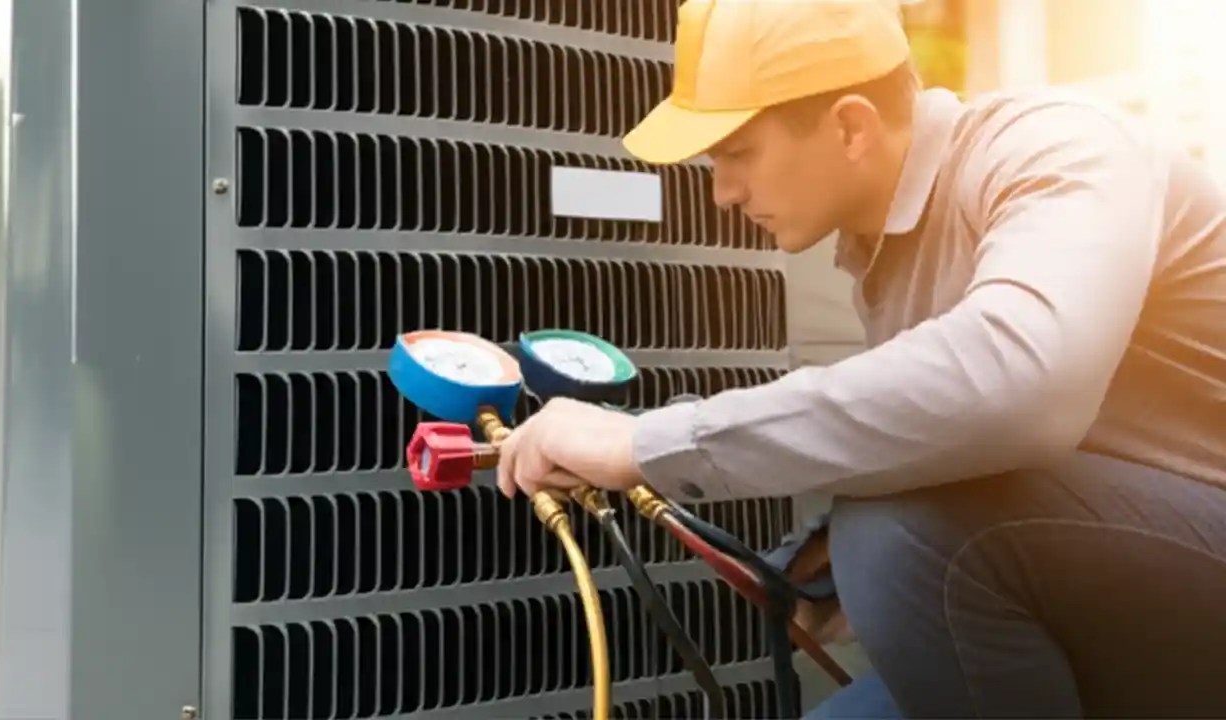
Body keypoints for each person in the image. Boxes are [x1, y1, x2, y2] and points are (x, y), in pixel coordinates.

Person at [495, 0, 1226, 716]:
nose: (722, 191)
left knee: (899, 532)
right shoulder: (886, 245)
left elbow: (1021, 381)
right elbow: (954, 435)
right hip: (1132, 576)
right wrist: (818, 563)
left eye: (737, 153)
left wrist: (643, 443)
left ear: (850, 126)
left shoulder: (1056, 150)